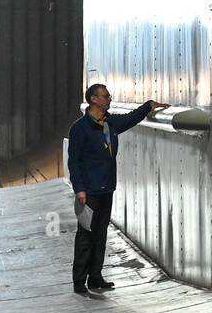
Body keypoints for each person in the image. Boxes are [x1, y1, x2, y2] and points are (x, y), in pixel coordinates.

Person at [67, 84, 169, 295]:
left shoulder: (109, 123)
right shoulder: (80, 128)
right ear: (93, 99)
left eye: (108, 96)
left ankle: (95, 277)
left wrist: (148, 106)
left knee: (101, 234)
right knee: (85, 235)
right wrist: (80, 190)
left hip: (106, 189)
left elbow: (130, 119)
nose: (109, 99)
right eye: (105, 96)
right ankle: (79, 281)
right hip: (89, 192)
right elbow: (74, 162)